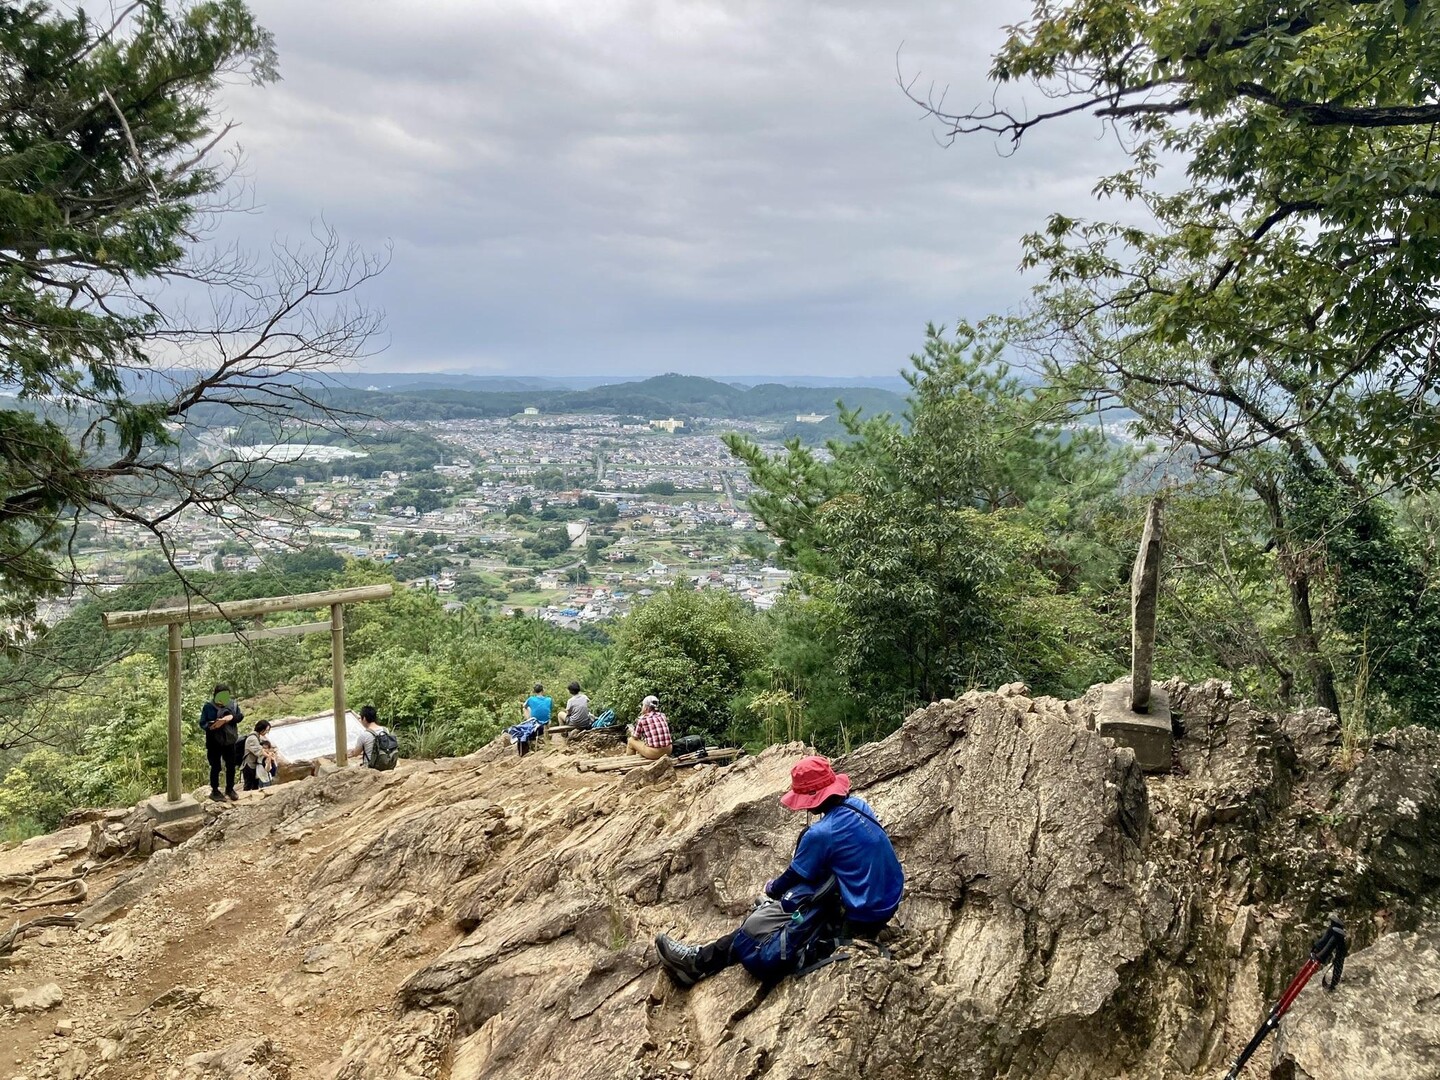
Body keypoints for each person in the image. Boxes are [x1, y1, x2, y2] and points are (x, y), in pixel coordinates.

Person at [654, 755, 904, 987]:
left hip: (861, 916)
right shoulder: (859, 806)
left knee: (766, 921)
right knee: (793, 900)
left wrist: (772, 890)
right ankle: (702, 959)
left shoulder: (821, 833)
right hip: (888, 901)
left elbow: (792, 877)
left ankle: (697, 963)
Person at [200, 684, 244, 802]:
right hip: (214, 742)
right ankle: (215, 791)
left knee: (231, 765)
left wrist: (231, 718)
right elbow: (202, 723)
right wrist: (212, 725)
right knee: (215, 766)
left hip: (229, 741)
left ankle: (230, 789)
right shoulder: (208, 707)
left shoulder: (233, 704)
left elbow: (240, 716)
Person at [626, 695, 672, 760]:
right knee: (644, 742)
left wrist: (631, 731)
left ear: (646, 708)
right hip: (668, 750)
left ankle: (629, 761)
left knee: (631, 741)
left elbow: (635, 737)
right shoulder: (663, 715)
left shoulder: (642, 719)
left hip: (655, 753)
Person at [355, 705, 399, 770]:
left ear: (364, 718)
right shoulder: (385, 730)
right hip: (387, 764)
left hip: (371, 768)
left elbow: (356, 753)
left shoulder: (364, 735)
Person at [240, 719, 273, 791]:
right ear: (261, 728)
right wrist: (269, 756)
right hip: (249, 764)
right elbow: (259, 751)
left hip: (253, 764)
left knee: (255, 785)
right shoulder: (252, 738)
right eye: (266, 730)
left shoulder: (257, 737)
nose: (266, 732)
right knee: (248, 785)